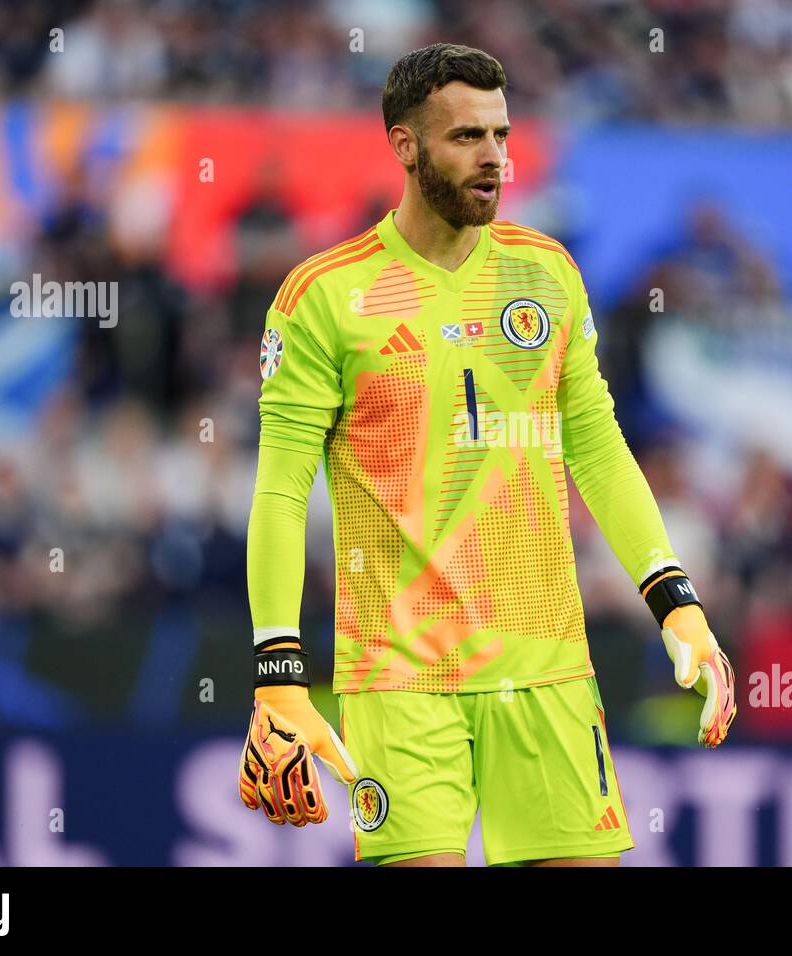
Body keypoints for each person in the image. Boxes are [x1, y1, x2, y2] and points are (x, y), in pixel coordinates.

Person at [238, 42, 736, 867]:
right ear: (405, 146)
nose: (494, 158)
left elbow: (598, 447)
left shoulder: (547, 275)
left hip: (547, 670)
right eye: (467, 137)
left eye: (501, 135)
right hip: (399, 681)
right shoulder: (324, 298)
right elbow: (282, 492)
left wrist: (675, 599)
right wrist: (278, 670)